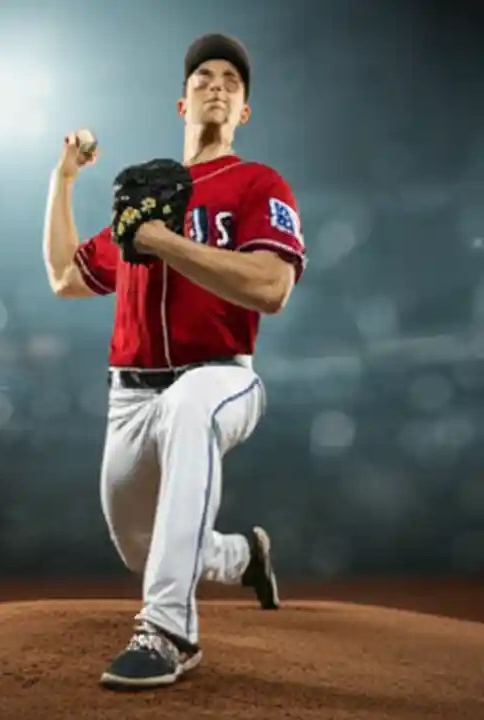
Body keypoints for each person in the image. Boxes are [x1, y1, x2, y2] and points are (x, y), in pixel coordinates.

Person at [42, 33, 301, 689]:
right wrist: (64, 180)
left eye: (231, 82)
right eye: (203, 77)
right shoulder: (139, 205)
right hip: (130, 397)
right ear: (180, 104)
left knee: (189, 409)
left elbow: (271, 288)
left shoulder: (257, 183)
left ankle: (168, 633)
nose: (216, 84)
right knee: (141, 546)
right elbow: (64, 278)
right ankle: (244, 555)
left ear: (242, 111)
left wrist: (158, 239)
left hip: (221, 377)